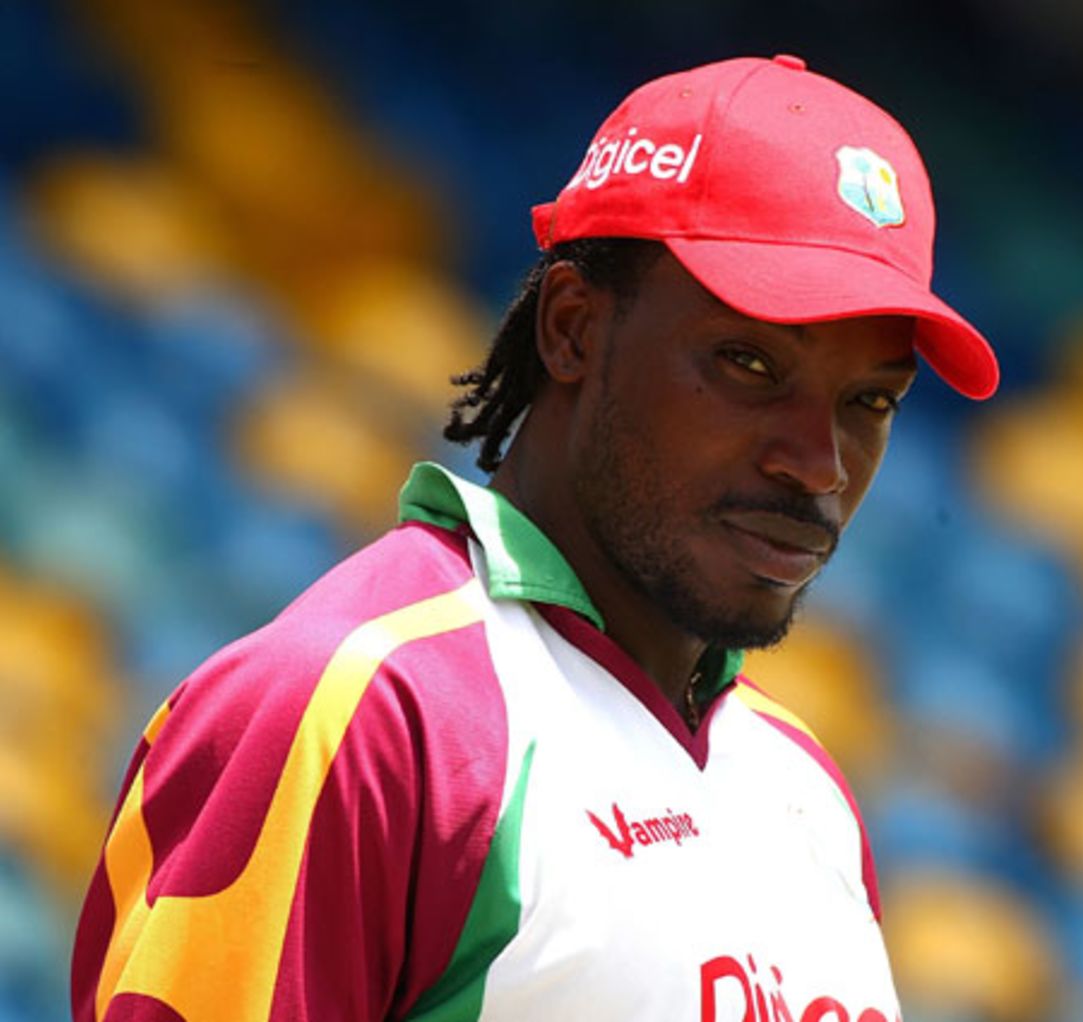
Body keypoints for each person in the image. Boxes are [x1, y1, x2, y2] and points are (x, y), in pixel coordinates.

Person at [72, 55, 998, 1022]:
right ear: (571, 330)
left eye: (871, 401)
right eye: (749, 362)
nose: (820, 462)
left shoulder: (804, 787)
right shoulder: (361, 714)